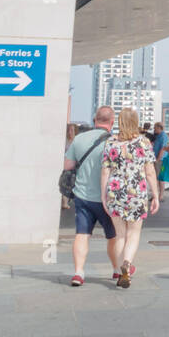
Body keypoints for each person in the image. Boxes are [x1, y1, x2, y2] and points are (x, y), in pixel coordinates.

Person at [62, 105, 122, 287]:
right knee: (114, 237)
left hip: (82, 196)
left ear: (95, 120)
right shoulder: (114, 142)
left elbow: (67, 166)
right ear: (112, 122)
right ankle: (116, 270)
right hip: (107, 199)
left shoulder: (79, 139)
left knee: (82, 234)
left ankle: (79, 273)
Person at [100, 106, 159, 288]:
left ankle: (120, 271)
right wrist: (155, 195)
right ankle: (127, 263)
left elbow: (105, 172)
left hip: (115, 191)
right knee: (133, 234)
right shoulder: (144, 143)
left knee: (120, 236)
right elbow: (150, 172)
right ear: (136, 122)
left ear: (119, 121)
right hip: (137, 192)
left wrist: (104, 196)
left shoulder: (111, 142)